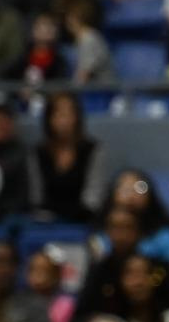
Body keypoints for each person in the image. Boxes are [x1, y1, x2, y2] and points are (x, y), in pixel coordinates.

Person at [32, 92, 110, 224]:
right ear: (49, 119)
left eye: (69, 114)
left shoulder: (93, 150)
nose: (64, 120)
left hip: (84, 221)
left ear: (77, 118)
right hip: (46, 222)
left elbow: (93, 198)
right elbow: (36, 196)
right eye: (58, 114)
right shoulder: (38, 152)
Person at [65, 0, 114, 84]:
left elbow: (84, 74)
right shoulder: (82, 38)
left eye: (70, 16)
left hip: (101, 89)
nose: (67, 20)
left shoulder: (89, 38)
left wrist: (69, 90)